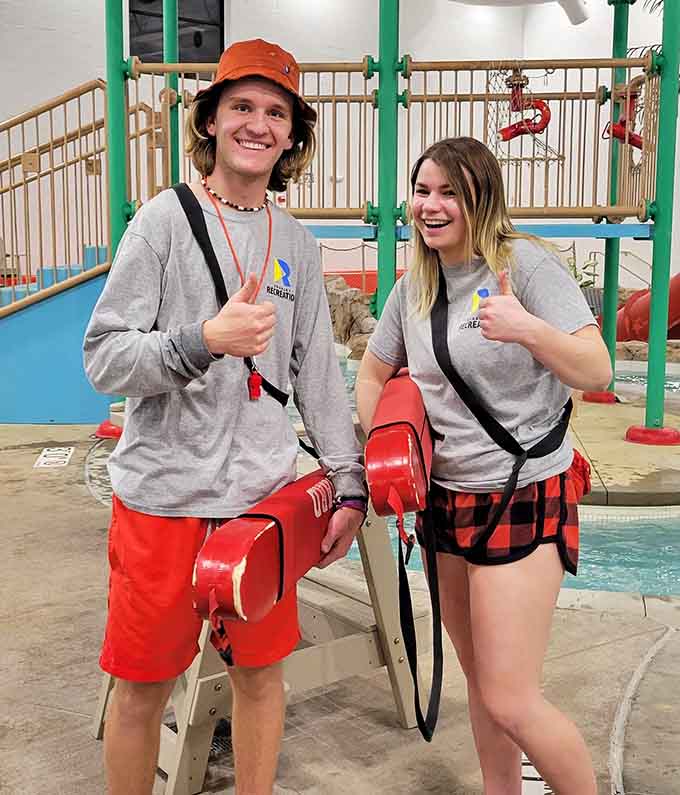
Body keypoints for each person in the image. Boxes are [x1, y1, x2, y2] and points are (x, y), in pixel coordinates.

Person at [83, 38, 367, 795]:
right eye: (242, 105)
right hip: (162, 501)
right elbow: (104, 358)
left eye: (276, 112)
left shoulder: (298, 246)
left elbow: (320, 378)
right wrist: (200, 342)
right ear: (210, 120)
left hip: (258, 509)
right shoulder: (162, 223)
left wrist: (349, 482)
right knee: (142, 688)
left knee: (262, 680)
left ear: (292, 136)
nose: (258, 124)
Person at [356, 136, 611, 795]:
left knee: (512, 698)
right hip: (446, 502)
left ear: (481, 197)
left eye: (449, 192)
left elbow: (597, 368)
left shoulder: (523, 266)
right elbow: (373, 370)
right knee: (485, 689)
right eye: (422, 190)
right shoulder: (414, 284)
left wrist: (527, 327)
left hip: (522, 494)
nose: (430, 205)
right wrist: (385, 453)